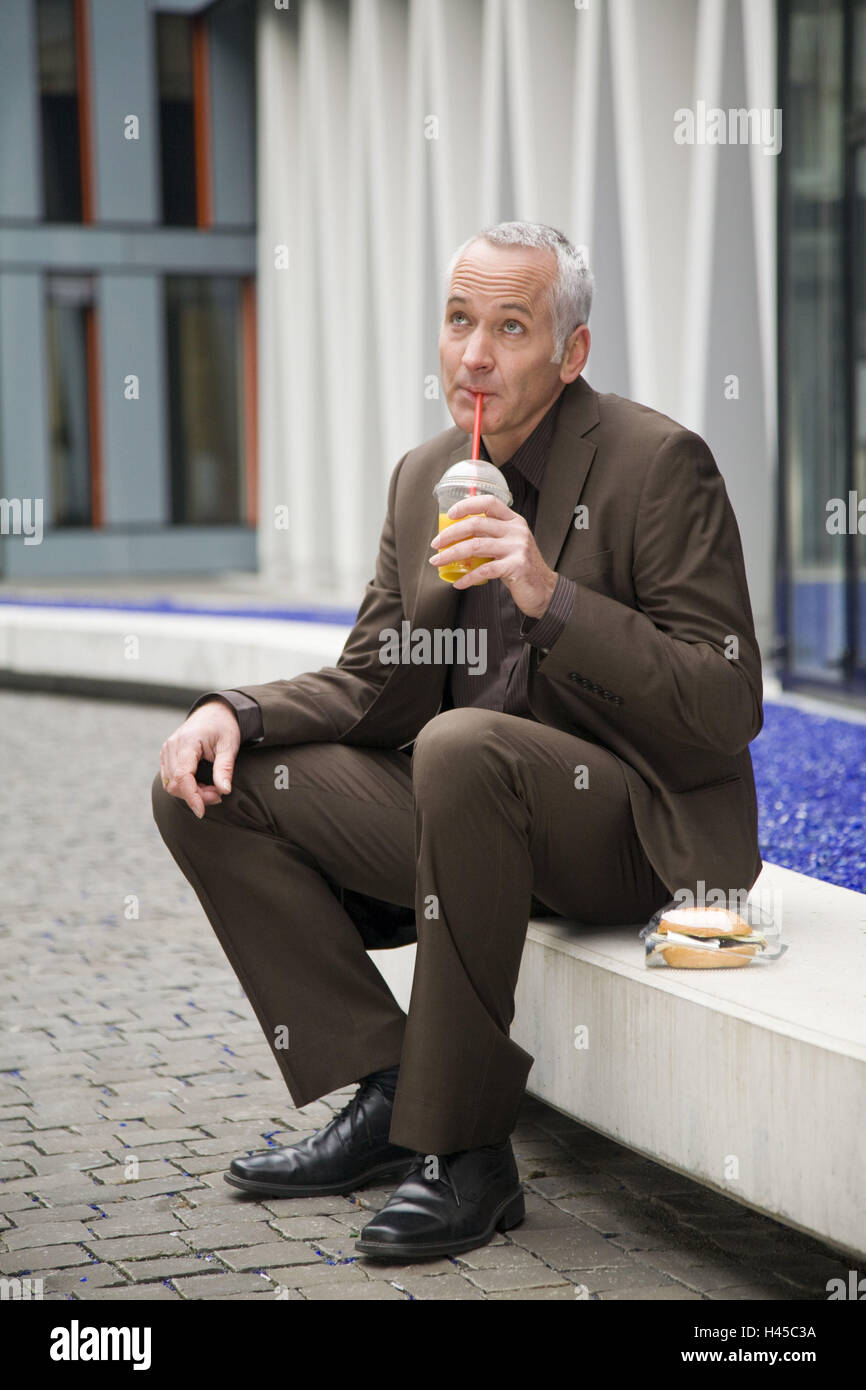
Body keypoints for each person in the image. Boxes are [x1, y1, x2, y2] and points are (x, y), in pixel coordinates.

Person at [151, 221, 763, 1261]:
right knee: (206, 785)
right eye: (457, 321)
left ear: (569, 355)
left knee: (462, 748)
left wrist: (548, 595)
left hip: (623, 832)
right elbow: (369, 682)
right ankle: (393, 1091)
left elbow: (724, 698)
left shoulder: (657, 463)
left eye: (509, 328)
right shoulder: (426, 473)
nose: (472, 354)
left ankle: (467, 1151)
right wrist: (238, 712)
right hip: (463, 817)